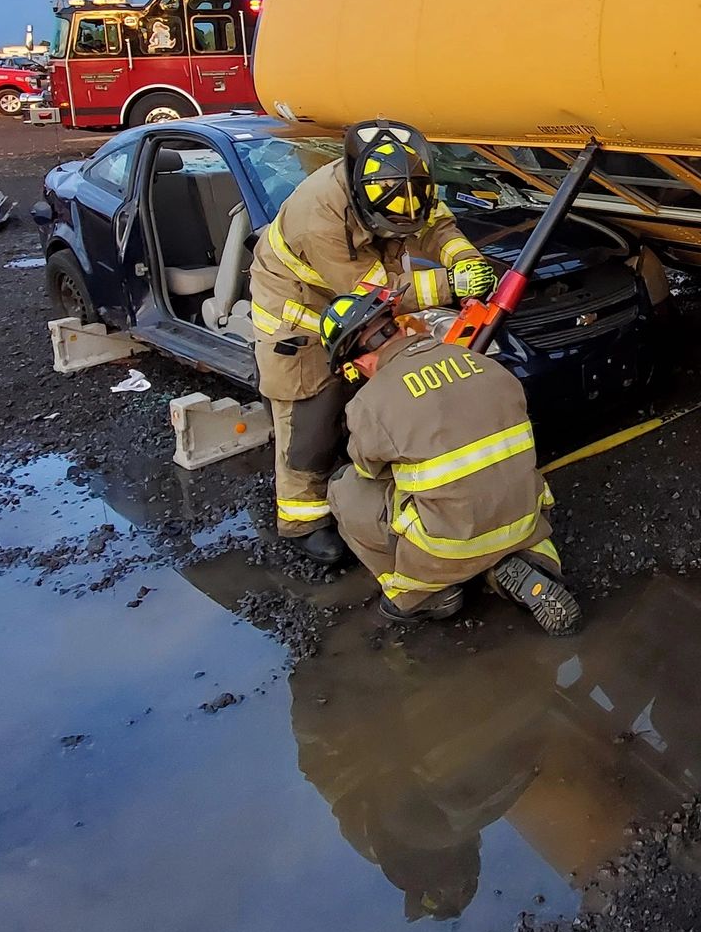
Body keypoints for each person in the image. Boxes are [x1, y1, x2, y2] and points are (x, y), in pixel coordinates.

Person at [248, 119, 497, 564]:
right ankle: (302, 519)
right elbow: (371, 295)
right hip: (299, 315)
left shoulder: (405, 179)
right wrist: (451, 286)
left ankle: (366, 488)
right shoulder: (318, 218)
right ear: (362, 200)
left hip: (358, 301)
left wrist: (466, 259)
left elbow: (435, 223)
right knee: (307, 413)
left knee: (377, 397)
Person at [320, 289, 580, 633]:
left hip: (449, 546)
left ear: (360, 362)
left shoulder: (370, 402)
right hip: (525, 520)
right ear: (397, 327)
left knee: (346, 488)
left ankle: (418, 595)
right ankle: (523, 563)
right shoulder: (481, 361)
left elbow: (370, 470)